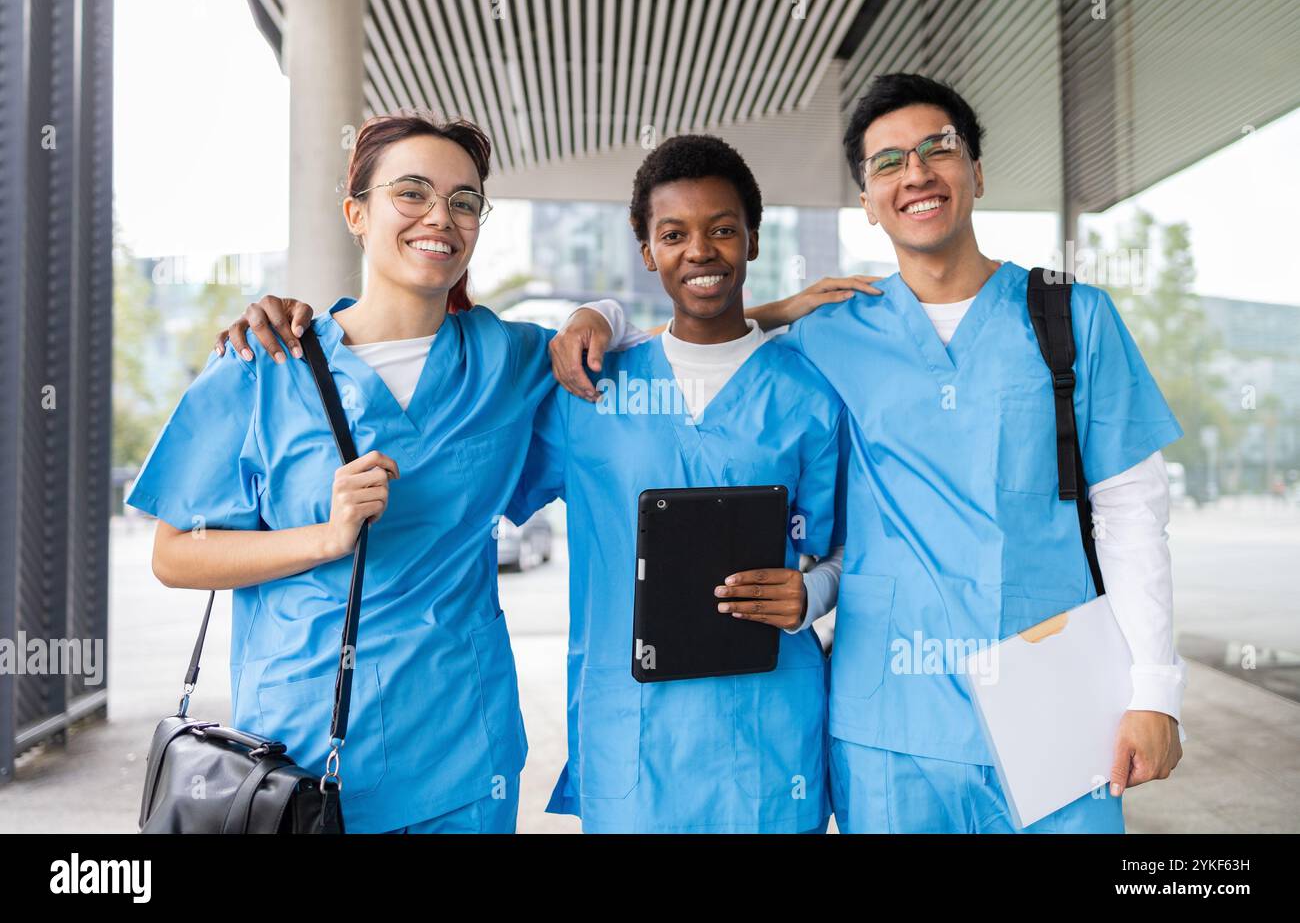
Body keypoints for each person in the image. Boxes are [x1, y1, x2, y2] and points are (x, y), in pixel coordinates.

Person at [561, 73, 1186, 833]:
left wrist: (1155, 690)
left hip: (1054, 705)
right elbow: (705, 325)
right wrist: (603, 311)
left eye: (938, 149)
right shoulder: (831, 333)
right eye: (888, 162)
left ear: (977, 171)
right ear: (866, 199)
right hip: (888, 726)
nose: (915, 173)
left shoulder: (1070, 316)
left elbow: (1131, 514)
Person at [128, 112, 558, 833]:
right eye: (412, 193)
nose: (440, 218)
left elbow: (660, 357)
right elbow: (175, 555)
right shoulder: (264, 360)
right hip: (299, 767)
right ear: (356, 212)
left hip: (463, 757)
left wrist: (761, 312)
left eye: (463, 201)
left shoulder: (510, 362)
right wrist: (323, 538)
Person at [506, 134, 863, 832]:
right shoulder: (590, 389)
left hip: (769, 730)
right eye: (673, 233)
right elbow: (469, 461)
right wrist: (601, 312)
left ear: (753, 240)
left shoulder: (811, 394)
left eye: (722, 229)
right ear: (647, 250)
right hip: (632, 733)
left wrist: (811, 593)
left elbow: (849, 550)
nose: (700, 250)